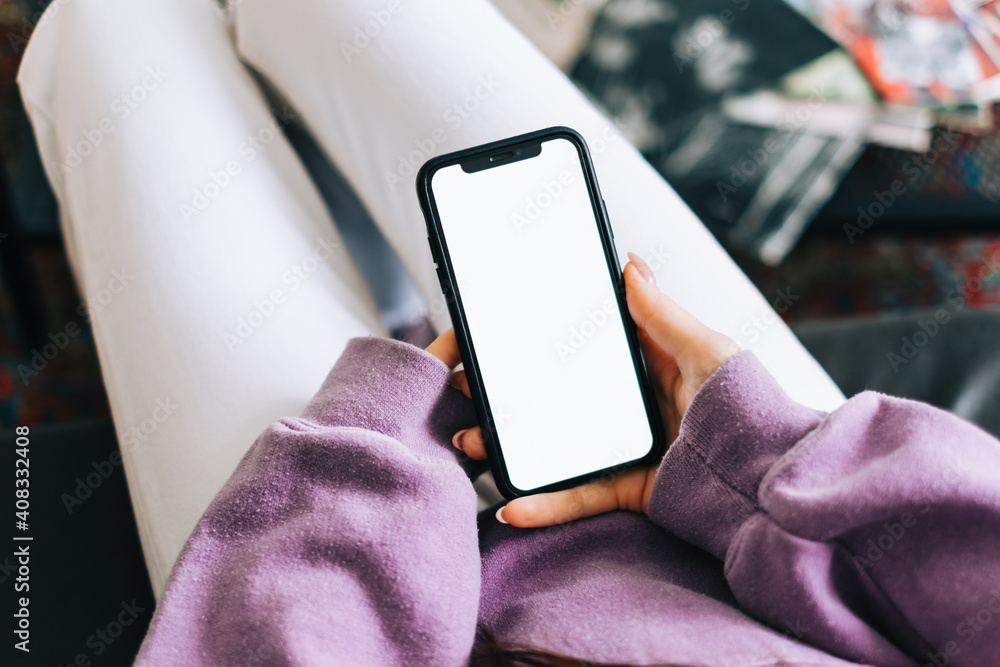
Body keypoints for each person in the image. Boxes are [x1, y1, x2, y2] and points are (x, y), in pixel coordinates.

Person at [131, 253, 1000, 665]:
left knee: (115, 32)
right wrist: (739, 457)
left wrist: (369, 466)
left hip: (327, 573)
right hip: (721, 493)